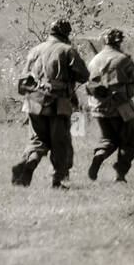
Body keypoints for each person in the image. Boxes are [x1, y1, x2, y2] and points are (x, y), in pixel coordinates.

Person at [11, 18, 90, 189]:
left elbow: (24, 77)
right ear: (66, 33)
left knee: (37, 140)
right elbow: (83, 75)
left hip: (33, 103)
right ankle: (58, 180)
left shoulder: (35, 50)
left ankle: (28, 163)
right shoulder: (68, 50)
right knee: (59, 142)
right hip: (57, 104)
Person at [85, 28, 134, 182]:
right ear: (119, 41)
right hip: (120, 107)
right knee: (127, 142)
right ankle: (120, 175)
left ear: (104, 41)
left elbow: (88, 84)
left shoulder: (94, 60)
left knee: (108, 139)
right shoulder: (124, 59)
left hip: (98, 108)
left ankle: (99, 155)